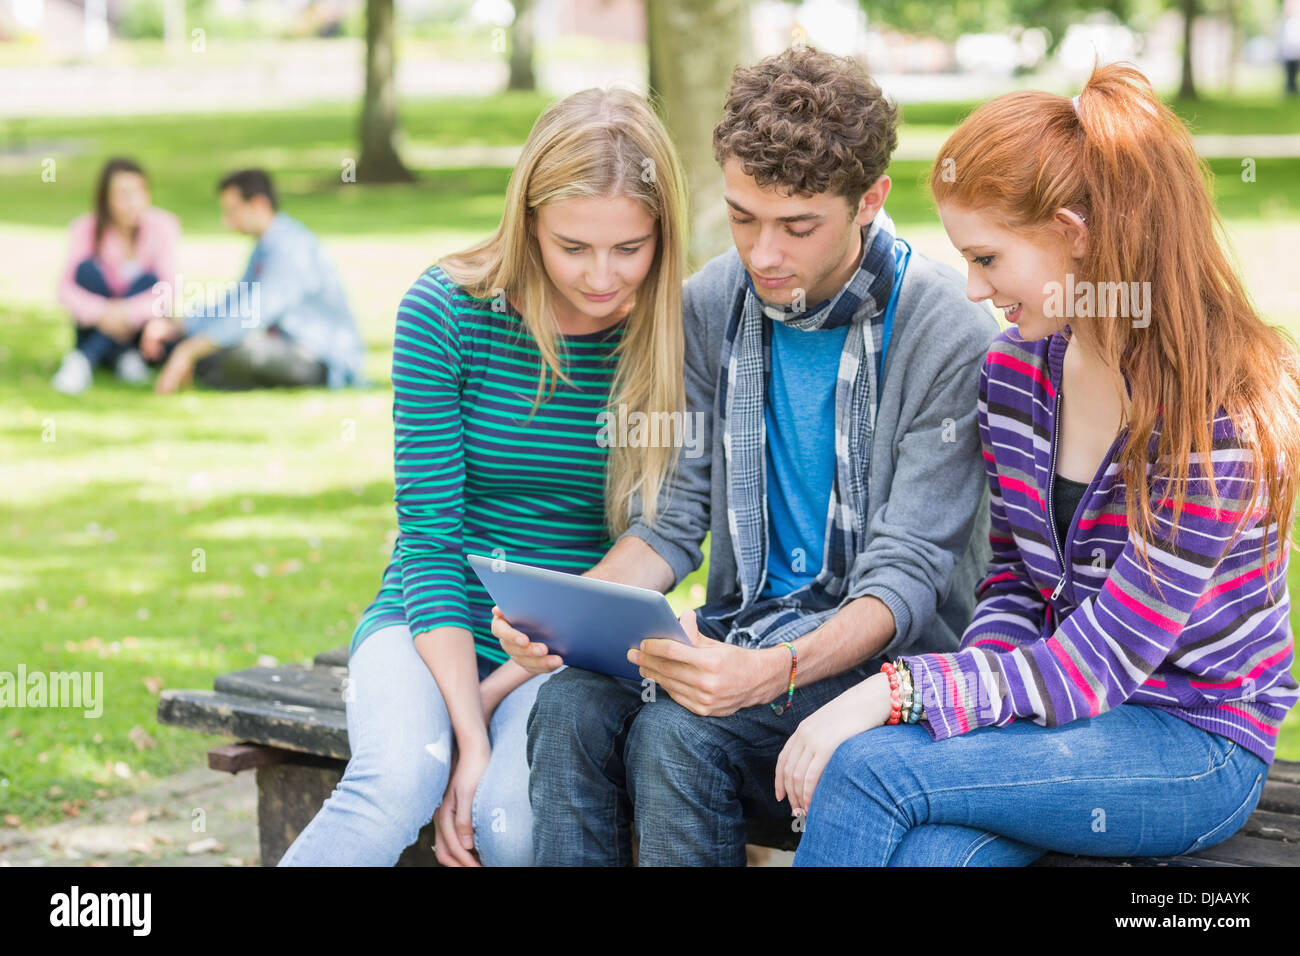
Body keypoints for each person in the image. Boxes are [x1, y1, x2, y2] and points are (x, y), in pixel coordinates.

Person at [788, 62, 1300, 867]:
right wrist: (967, 693)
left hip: (1192, 739)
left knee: (867, 768)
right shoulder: (1014, 376)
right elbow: (1016, 584)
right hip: (1052, 711)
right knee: (930, 855)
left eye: (987, 259)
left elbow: (1100, 663)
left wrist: (895, 694)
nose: (970, 288)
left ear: (1074, 234)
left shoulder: (1216, 415)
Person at [497, 47, 999, 866]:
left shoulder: (946, 332)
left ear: (870, 200)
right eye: (742, 217)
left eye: (798, 226)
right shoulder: (711, 304)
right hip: (744, 634)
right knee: (571, 707)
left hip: (887, 672)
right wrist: (558, 614)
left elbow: (905, 580)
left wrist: (771, 671)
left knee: (675, 734)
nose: (763, 254)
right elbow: (672, 523)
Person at [278, 87, 690, 866]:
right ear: (528, 220)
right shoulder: (446, 312)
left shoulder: (673, 333)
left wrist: (506, 687)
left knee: (511, 822)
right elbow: (430, 541)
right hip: (429, 618)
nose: (602, 277)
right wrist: (468, 735)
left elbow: (667, 533)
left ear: (661, 238)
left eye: (629, 249)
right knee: (398, 778)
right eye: (573, 246)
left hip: (572, 645)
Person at [140, 169, 364, 392]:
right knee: (214, 341)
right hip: (283, 345)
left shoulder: (291, 248)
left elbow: (252, 313)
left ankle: (209, 369)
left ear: (258, 204)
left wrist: (189, 350)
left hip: (317, 356)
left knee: (239, 348)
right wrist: (182, 325)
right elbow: (235, 303)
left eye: (232, 211)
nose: (227, 221)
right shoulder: (264, 247)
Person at [51, 157, 180, 395]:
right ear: (106, 198)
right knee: (86, 271)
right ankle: (122, 356)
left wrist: (128, 312)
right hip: (97, 316)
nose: (132, 202)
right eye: (123, 194)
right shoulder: (85, 228)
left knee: (150, 281)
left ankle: (84, 359)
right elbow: (65, 290)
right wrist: (104, 312)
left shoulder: (163, 225)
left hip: (140, 327)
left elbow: (170, 288)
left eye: (138, 192)